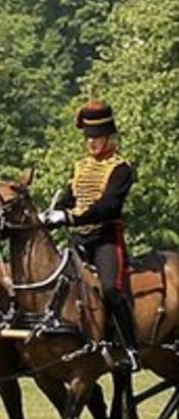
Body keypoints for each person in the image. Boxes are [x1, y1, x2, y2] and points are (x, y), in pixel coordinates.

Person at [38, 100, 140, 372]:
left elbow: (108, 206)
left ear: (109, 137)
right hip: (79, 240)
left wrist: (69, 217)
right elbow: (68, 197)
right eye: (88, 137)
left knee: (110, 289)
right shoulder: (80, 167)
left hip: (105, 238)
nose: (92, 143)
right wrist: (50, 215)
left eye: (97, 137)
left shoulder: (121, 169)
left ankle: (129, 349)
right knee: (57, 282)